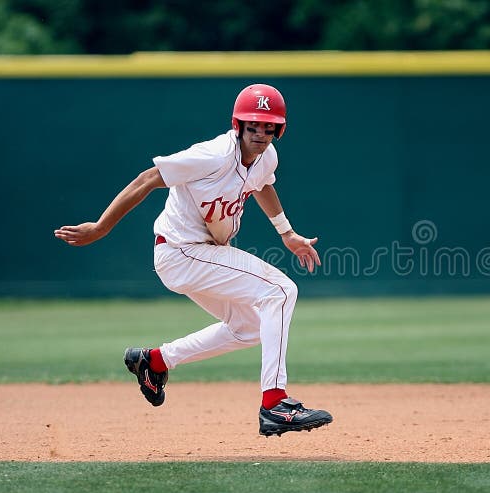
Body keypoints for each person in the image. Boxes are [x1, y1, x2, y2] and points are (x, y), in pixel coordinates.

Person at [54, 83, 333, 437]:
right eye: (253, 125)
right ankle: (274, 403)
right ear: (238, 125)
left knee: (249, 328)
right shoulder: (212, 155)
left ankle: (155, 361)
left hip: (201, 254)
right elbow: (148, 179)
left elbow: (262, 183)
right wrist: (101, 227)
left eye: (268, 126)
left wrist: (286, 232)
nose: (260, 132)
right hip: (181, 251)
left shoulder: (267, 157)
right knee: (280, 291)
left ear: (279, 129)